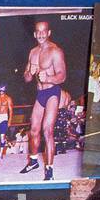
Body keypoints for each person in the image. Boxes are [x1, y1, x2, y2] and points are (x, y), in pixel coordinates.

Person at [19, 20, 68, 181]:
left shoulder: (56, 51)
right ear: (34, 34)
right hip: (40, 94)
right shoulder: (32, 52)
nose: (41, 34)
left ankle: (49, 170)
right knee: (33, 130)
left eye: (44, 31)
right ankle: (33, 161)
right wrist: (29, 73)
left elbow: (62, 76)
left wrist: (49, 77)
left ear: (49, 33)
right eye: (38, 31)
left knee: (48, 130)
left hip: (53, 92)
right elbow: (26, 78)